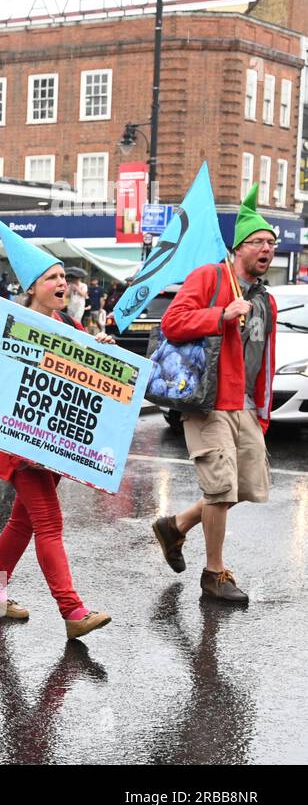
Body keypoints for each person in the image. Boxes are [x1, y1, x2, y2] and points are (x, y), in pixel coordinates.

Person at [0, 222, 115, 640]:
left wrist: (102, 349)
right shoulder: (13, 324)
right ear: (33, 287)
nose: (63, 283)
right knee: (49, 523)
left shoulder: (71, 326)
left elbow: (87, 373)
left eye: (64, 277)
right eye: (53, 278)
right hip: (22, 446)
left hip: (56, 444)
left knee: (22, 523)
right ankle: (73, 611)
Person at [149, 189, 278, 604]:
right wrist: (218, 316)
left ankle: (177, 525)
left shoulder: (264, 299)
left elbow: (265, 358)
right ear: (239, 247)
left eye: (272, 243)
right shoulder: (211, 276)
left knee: (245, 487)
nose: (267, 249)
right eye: (259, 242)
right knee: (221, 489)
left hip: (244, 405)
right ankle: (214, 574)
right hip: (206, 401)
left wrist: (262, 411)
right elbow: (172, 323)